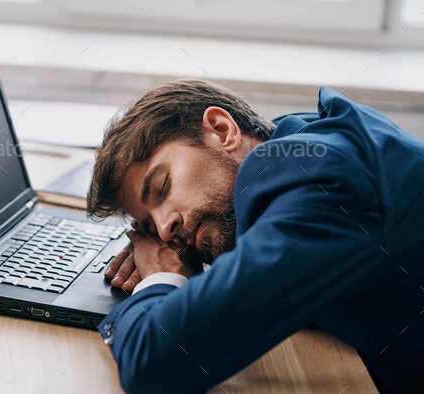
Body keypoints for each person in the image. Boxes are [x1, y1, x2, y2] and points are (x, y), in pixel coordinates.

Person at [87, 80, 424, 393]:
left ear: (222, 130)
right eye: (149, 227)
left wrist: (161, 277)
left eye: (162, 187)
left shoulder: (319, 182)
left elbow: (153, 366)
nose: (164, 230)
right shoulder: (300, 140)